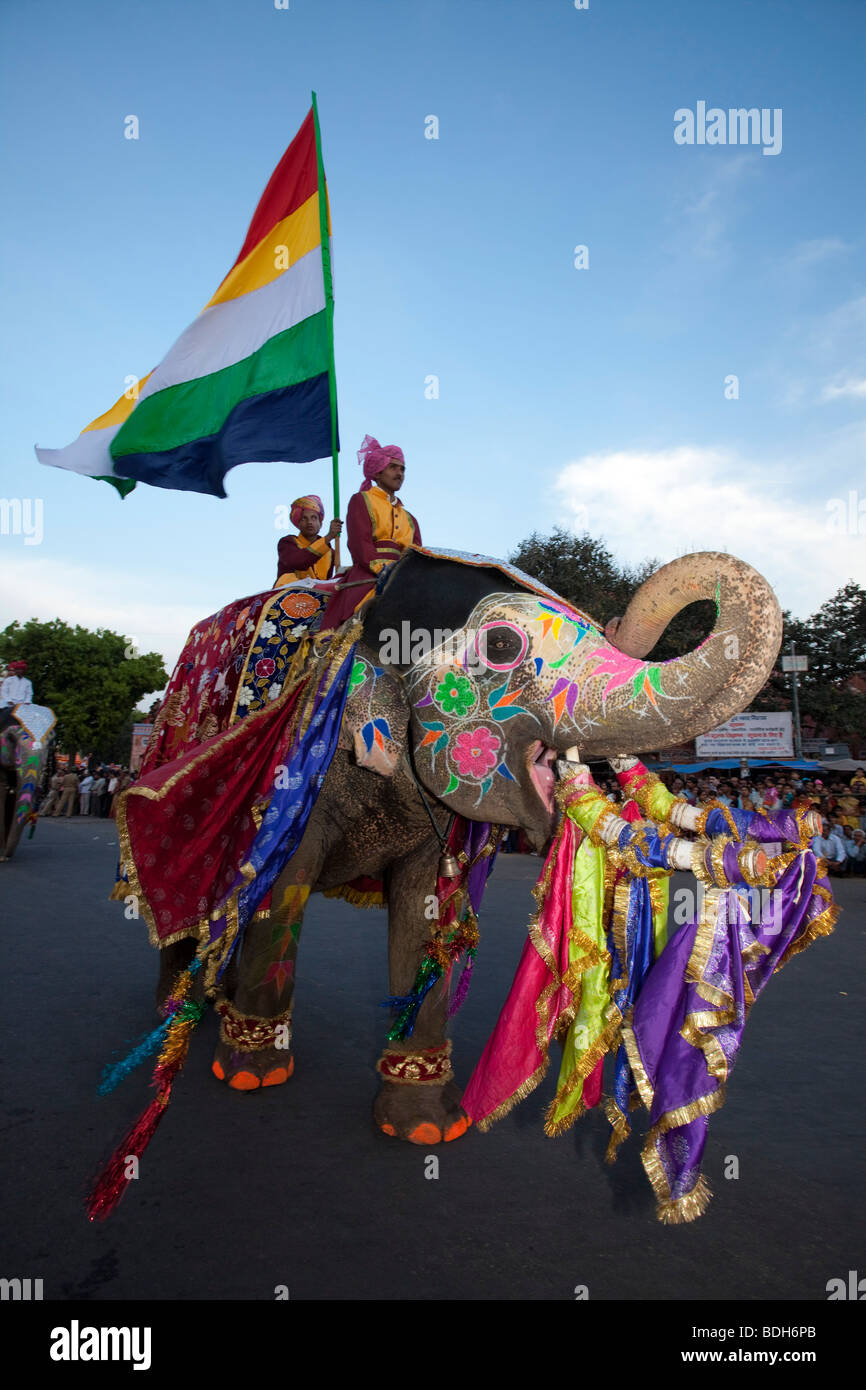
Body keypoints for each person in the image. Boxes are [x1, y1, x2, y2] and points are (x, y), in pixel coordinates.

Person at [320, 435, 422, 630]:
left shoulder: (410, 519)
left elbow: (417, 555)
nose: (399, 473)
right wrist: (384, 571)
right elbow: (360, 544)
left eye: (402, 469)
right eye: (393, 467)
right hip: (369, 575)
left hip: (403, 579)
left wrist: (410, 576)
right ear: (377, 472)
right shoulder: (362, 500)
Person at [274, 495, 342, 585]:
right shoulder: (287, 543)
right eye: (304, 518)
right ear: (298, 523)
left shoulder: (330, 553)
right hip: (289, 595)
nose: (309, 522)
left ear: (320, 523)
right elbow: (300, 561)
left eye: (314, 518)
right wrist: (328, 537)